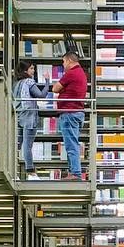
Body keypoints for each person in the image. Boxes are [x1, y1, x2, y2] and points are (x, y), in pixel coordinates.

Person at [52, 50, 87, 178]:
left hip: (69, 112)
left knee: (71, 144)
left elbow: (55, 88)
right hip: (77, 112)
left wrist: (61, 88)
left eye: (63, 62)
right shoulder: (81, 73)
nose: (63, 65)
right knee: (72, 143)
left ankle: (75, 173)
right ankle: (73, 171)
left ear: (69, 60)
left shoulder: (71, 73)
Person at [13, 59, 49, 174]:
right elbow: (41, 95)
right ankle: (30, 169)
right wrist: (47, 81)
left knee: (18, 144)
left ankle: (12, 167)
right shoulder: (29, 82)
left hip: (19, 115)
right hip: (30, 116)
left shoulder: (17, 84)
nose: (33, 71)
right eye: (32, 68)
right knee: (28, 145)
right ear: (25, 70)